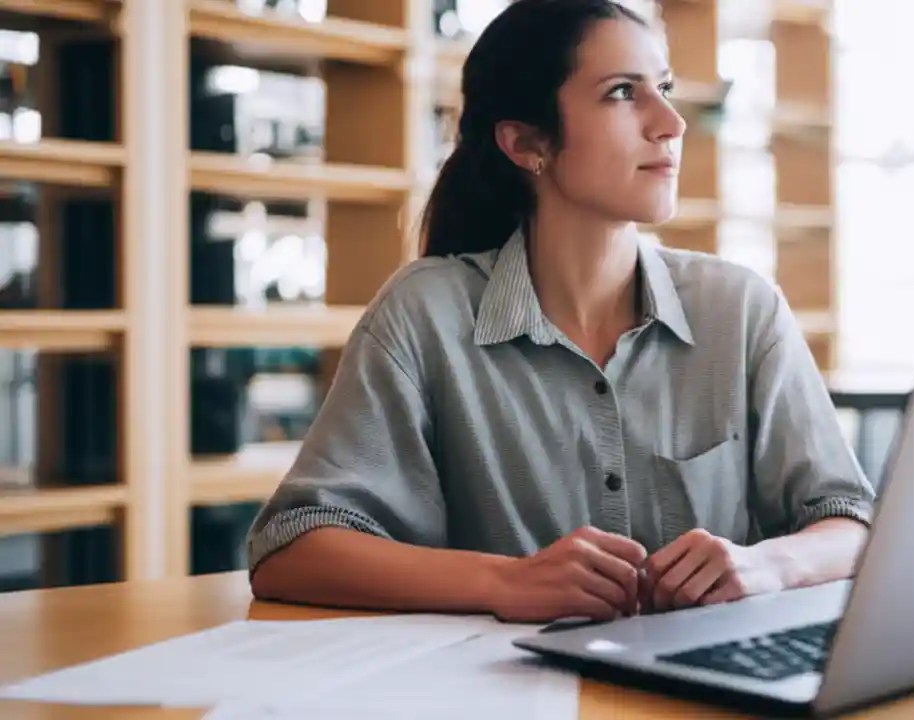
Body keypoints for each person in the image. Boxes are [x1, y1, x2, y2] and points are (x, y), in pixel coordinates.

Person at [246, 0, 874, 623]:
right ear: (526, 142)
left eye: (664, 88)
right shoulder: (424, 314)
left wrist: (769, 565)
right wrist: (504, 581)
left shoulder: (740, 309)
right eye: (624, 93)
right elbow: (292, 547)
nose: (671, 123)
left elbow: (852, 522)